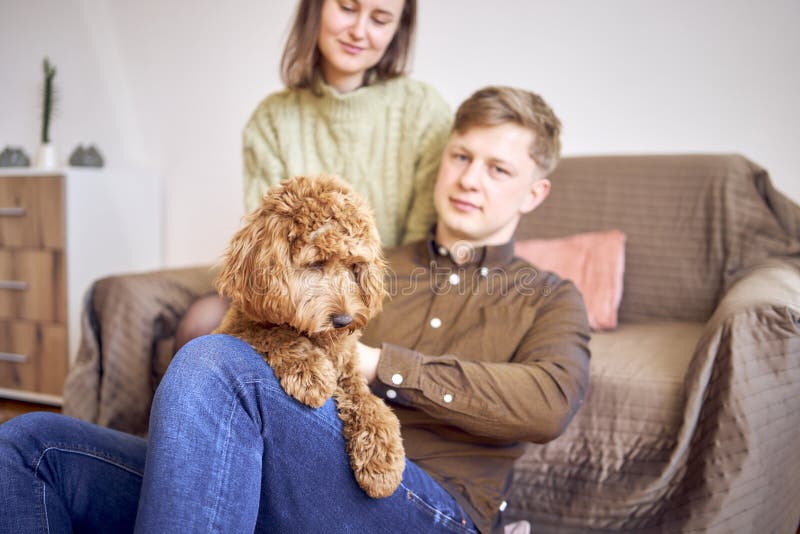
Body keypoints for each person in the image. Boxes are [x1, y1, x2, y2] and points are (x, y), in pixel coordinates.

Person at [0, 86, 590, 533]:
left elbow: (549, 403)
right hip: (294, 467)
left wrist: (382, 366)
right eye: (461, 157)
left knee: (213, 363)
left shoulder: (549, 296)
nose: (469, 179)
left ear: (533, 191)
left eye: (498, 168)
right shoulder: (362, 256)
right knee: (30, 444)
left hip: (430, 508)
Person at [174, 0, 452, 347]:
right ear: (316, 9)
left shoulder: (425, 111)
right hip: (297, 290)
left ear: (398, 30)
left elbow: (415, 253)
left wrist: (350, 292)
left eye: (380, 19)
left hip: (389, 291)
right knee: (200, 322)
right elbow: (271, 249)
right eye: (348, 8)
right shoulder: (273, 118)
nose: (359, 31)